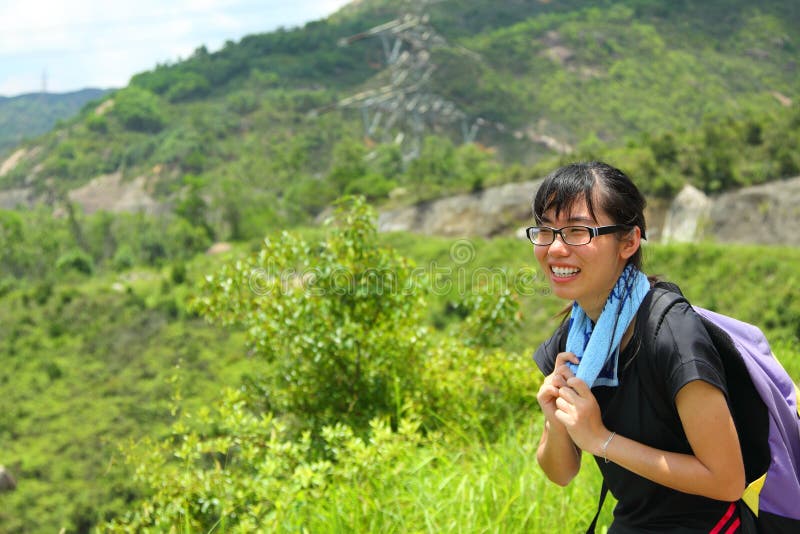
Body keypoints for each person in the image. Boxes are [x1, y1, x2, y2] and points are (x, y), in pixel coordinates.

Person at [530, 161, 746, 533]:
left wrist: (601, 439)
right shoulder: (576, 337)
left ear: (628, 241)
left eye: (577, 231)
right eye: (546, 231)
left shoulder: (671, 334)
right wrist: (556, 417)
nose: (555, 248)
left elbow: (727, 481)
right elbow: (561, 473)